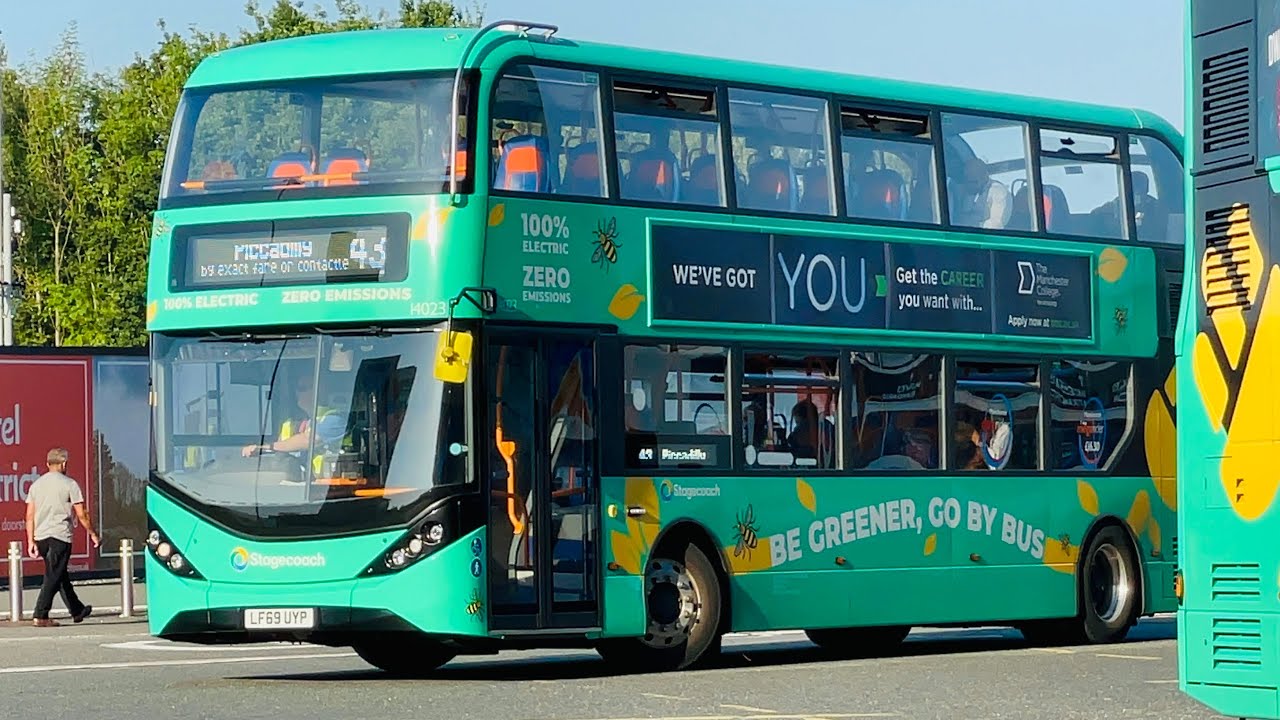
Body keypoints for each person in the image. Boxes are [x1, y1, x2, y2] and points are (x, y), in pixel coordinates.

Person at [25, 447, 99, 627]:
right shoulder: (69, 484)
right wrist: (93, 534)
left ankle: (77, 609)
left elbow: (29, 515)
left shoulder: (36, 485)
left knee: (59, 574)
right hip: (60, 536)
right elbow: (82, 514)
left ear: (47, 464)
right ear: (64, 463)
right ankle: (40, 614)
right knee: (53, 575)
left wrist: (30, 541)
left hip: (41, 536)